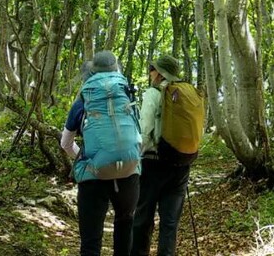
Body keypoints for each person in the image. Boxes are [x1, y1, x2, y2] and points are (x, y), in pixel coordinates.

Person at [60, 50, 142, 256]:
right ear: (116, 70)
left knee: (91, 240)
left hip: (93, 177)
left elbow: (66, 144)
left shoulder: (82, 102)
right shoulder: (128, 97)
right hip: (128, 173)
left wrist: (87, 158)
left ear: (91, 72)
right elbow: (139, 134)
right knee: (125, 225)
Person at [131, 54, 198, 256]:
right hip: (181, 164)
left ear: (160, 73)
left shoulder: (153, 94)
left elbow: (145, 130)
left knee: (143, 218)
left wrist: (136, 157)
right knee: (170, 223)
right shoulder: (187, 93)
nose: (150, 72)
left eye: (152, 69)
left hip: (153, 163)